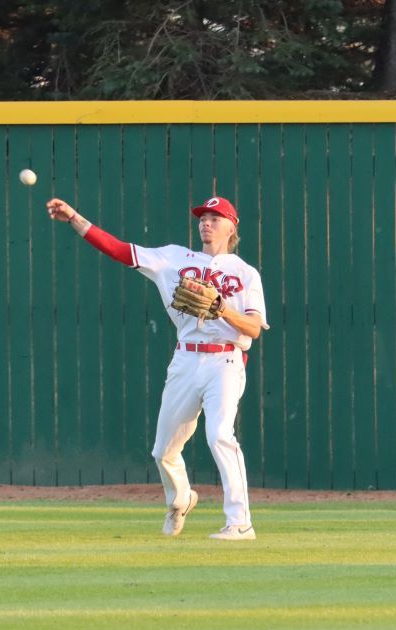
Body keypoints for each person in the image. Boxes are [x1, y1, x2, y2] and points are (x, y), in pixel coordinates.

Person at [47, 195, 268, 541]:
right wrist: (75, 217)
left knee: (220, 435)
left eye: (214, 217)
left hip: (225, 360)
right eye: (202, 218)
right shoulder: (174, 258)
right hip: (186, 359)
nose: (205, 223)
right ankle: (181, 499)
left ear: (231, 226)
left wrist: (221, 307)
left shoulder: (245, 274)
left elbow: (254, 328)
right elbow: (119, 250)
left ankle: (240, 522)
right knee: (163, 450)